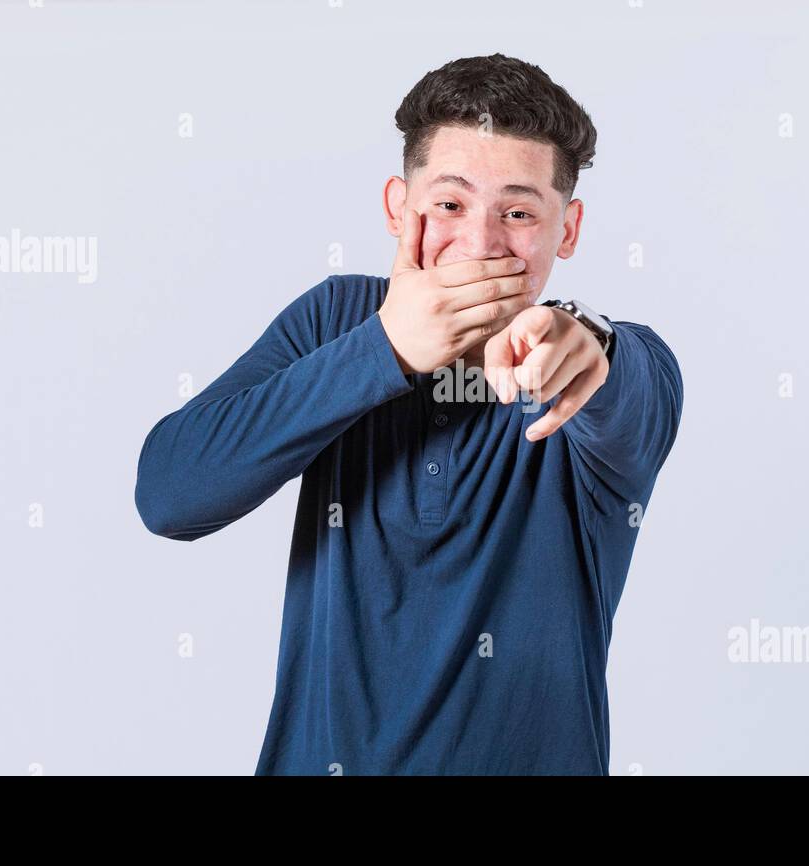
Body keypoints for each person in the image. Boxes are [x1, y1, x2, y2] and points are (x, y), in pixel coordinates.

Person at [134, 53, 683, 775]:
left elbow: (622, 391)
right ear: (398, 206)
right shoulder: (337, 321)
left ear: (567, 229)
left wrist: (587, 343)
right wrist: (383, 348)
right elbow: (170, 495)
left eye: (518, 213)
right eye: (450, 204)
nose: (480, 244)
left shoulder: (599, 366)